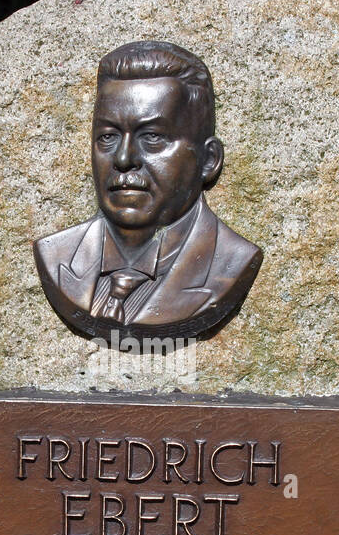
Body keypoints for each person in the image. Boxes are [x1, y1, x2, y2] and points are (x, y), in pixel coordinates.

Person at [35, 40, 262, 343]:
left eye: (153, 137)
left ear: (208, 160)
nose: (124, 158)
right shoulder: (57, 255)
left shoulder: (229, 263)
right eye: (108, 137)